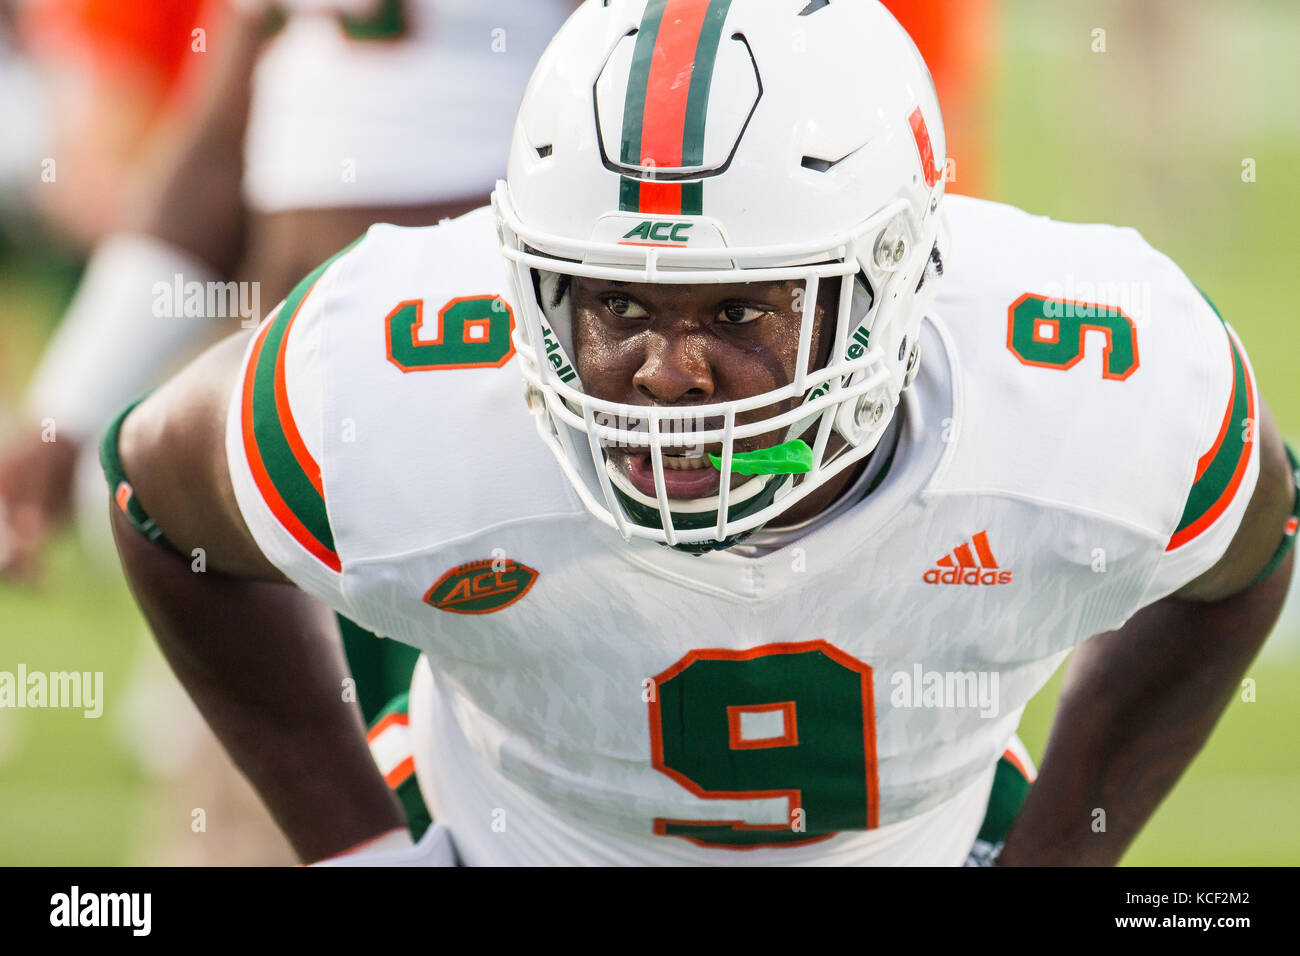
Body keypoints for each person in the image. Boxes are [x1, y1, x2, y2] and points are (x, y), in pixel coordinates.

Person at [106, 0, 1297, 865]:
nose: (667, 375)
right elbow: (160, 496)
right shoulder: (406, 379)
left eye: (737, 312)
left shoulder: (1084, 379)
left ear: (890, 279)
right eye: (617, 305)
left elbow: (1246, 552)